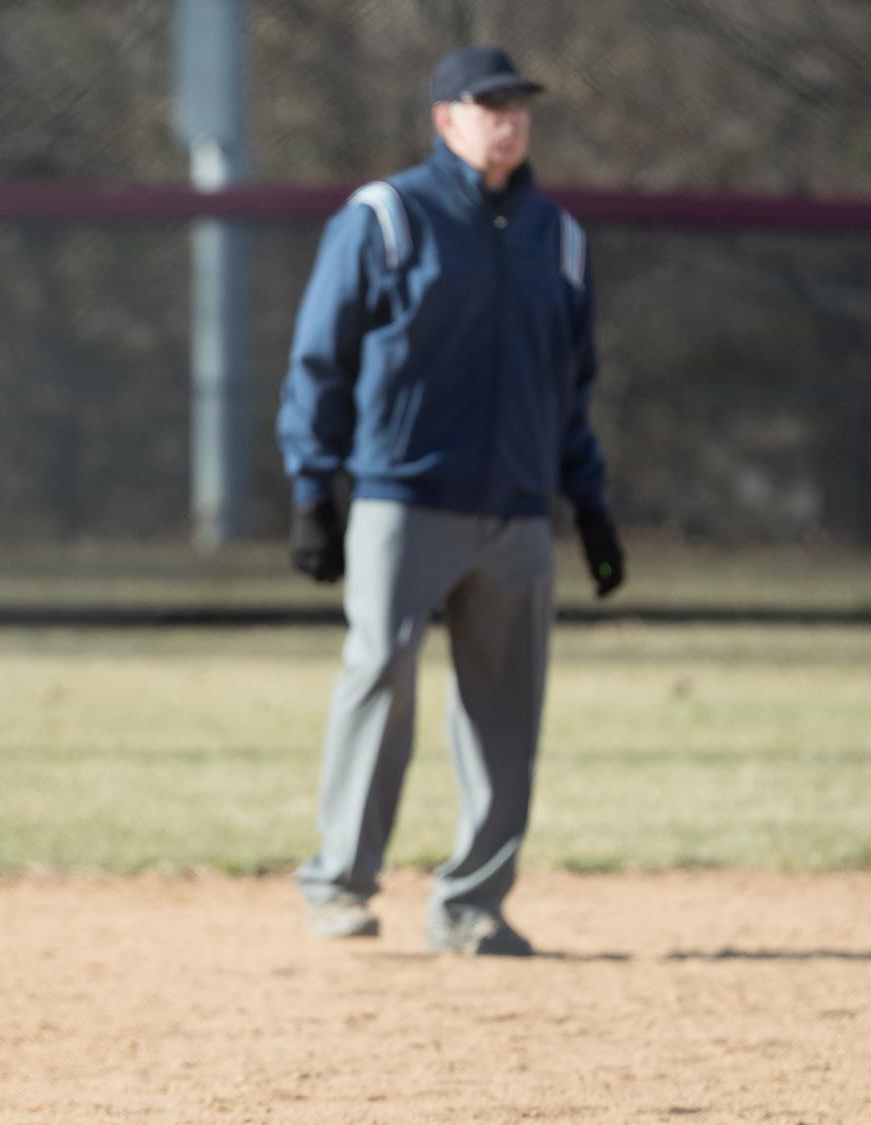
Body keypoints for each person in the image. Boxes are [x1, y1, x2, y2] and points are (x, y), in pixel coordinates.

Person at [276, 45, 625, 954]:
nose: (509, 117)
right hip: (404, 496)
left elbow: (569, 388)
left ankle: (473, 904)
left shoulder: (561, 236)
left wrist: (588, 503)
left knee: (509, 708)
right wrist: (316, 487)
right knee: (378, 678)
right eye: (490, 102)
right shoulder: (387, 216)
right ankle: (340, 886)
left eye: (520, 104)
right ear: (446, 119)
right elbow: (321, 360)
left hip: (517, 508)